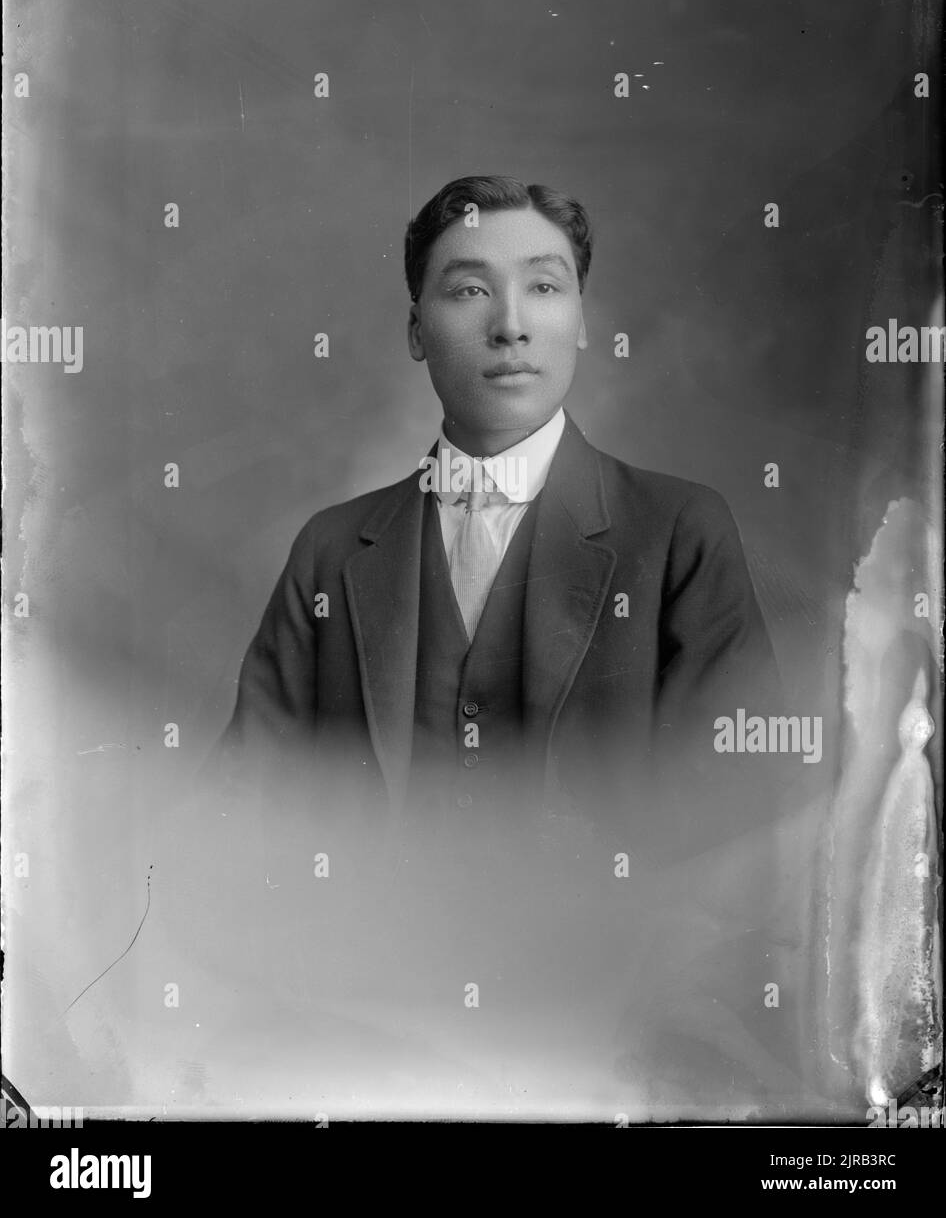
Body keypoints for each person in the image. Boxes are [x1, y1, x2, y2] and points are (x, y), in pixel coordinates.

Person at [214, 173, 782, 854]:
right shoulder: (330, 551)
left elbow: (733, 813)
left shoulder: (681, 530)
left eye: (544, 287)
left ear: (581, 321)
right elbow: (243, 807)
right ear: (417, 329)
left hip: (611, 952)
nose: (511, 326)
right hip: (370, 950)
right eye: (469, 291)